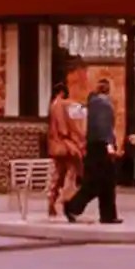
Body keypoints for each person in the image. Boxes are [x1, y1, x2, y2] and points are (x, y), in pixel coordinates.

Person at [64, 79, 122, 224]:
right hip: (102, 147)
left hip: (93, 146)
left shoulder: (92, 103)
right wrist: (111, 147)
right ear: (107, 90)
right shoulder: (105, 104)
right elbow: (105, 130)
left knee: (105, 183)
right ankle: (72, 207)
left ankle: (108, 215)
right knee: (98, 182)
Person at [47, 83, 85, 217]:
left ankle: (52, 199)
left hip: (56, 145)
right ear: (62, 92)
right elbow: (64, 128)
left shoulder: (53, 105)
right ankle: (66, 198)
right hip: (65, 145)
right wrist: (76, 140)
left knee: (58, 174)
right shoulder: (61, 105)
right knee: (72, 172)